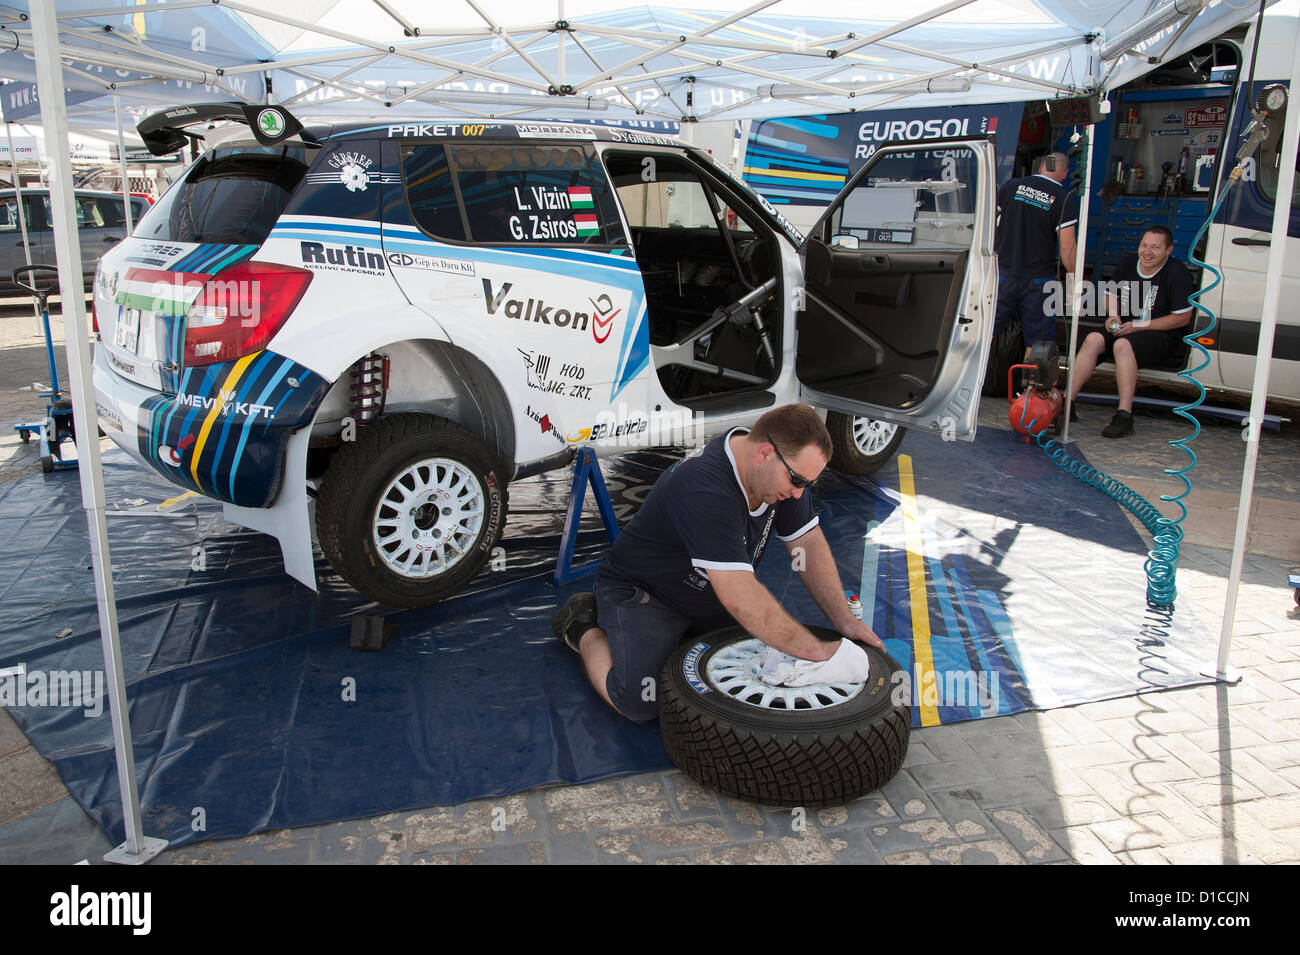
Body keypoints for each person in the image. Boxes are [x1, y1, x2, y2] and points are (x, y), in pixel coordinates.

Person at [551, 404, 883, 723]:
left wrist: (844, 619)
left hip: (710, 593)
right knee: (641, 701)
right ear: (765, 453)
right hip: (647, 594)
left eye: (808, 484)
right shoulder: (704, 487)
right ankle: (581, 624)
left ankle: (680, 637)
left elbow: (806, 543)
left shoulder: (782, 471)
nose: (799, 494)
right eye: (797, 481)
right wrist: (817, 653)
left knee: (766, 655)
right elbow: (740, 597)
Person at [1069, 226, 1194, 438]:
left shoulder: (1177, 273)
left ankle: (1124, 415)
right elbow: (1110, 293)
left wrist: (1139, 325)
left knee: (1122, 345)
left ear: (1169, 250)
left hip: (1159, 334)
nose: (1147, 251)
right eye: (1144, 245)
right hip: (1126, 327)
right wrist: (1113, 316)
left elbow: (1182, 317)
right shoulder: (1128, 263)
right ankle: (1067, 404)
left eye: (1155, 247)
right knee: (1092, 339)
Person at [993, 151, 1080, 359]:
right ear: (1065, 173)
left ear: (1041, 167)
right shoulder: (1064, 198)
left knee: (985, 328)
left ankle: (974, 375)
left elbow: (990, 224)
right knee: (1038, 340)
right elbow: (1067, 248)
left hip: (1003, 273)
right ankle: (1029, 379)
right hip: (1038, 280)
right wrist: (1073, 280)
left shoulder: (1010, 187)